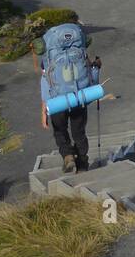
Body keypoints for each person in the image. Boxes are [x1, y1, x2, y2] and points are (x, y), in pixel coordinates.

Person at [34, 17, 102, 174]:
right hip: (79, 97)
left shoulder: (49, 56)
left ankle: (68, 156)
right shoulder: (79, 53)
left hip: (57, 100)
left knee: (59, 130)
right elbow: (90, 74)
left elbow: (46, 80)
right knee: (79, 132)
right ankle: (83, 164)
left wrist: (44, 109)